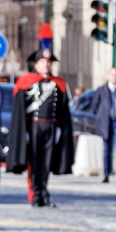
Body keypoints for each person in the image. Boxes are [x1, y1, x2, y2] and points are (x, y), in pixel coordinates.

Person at [7, 49, 74, 207]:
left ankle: (44, 193)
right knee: (35, 162)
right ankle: (35, 194)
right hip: (34, 126)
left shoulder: (58, 83)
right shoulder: (26, 82)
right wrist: (24, 131)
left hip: (50, 126)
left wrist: (60, 129)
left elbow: (62, 110)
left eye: (49, 62)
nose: (46, 65)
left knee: (47, 162)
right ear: (36, 64)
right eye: (43, 62)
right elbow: (20, 109)